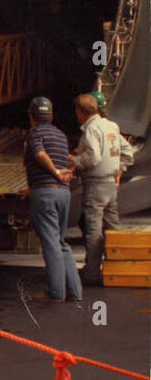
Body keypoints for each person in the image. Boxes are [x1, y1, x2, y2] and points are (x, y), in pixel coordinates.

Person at [70, 93, 133, 287]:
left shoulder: (91, 129)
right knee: (113, 227)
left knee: (93, 229)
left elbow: (94, 157)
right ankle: (122, 268)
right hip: (110, 185)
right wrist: (118, 169)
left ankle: (91, 273)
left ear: (80, 112)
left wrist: (74, 162)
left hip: (95, 185)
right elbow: (128, 152)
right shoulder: (111, 126)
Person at [23, 96, 81, 301]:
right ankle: (75, 292)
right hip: (63, 193)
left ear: (32, 116)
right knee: (60, 241)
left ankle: (56, 292)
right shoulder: (60, 135)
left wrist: (54, 172)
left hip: (46, 193)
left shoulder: (34, 132)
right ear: (51, 116)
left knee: (50, 242)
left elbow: (39, 155)